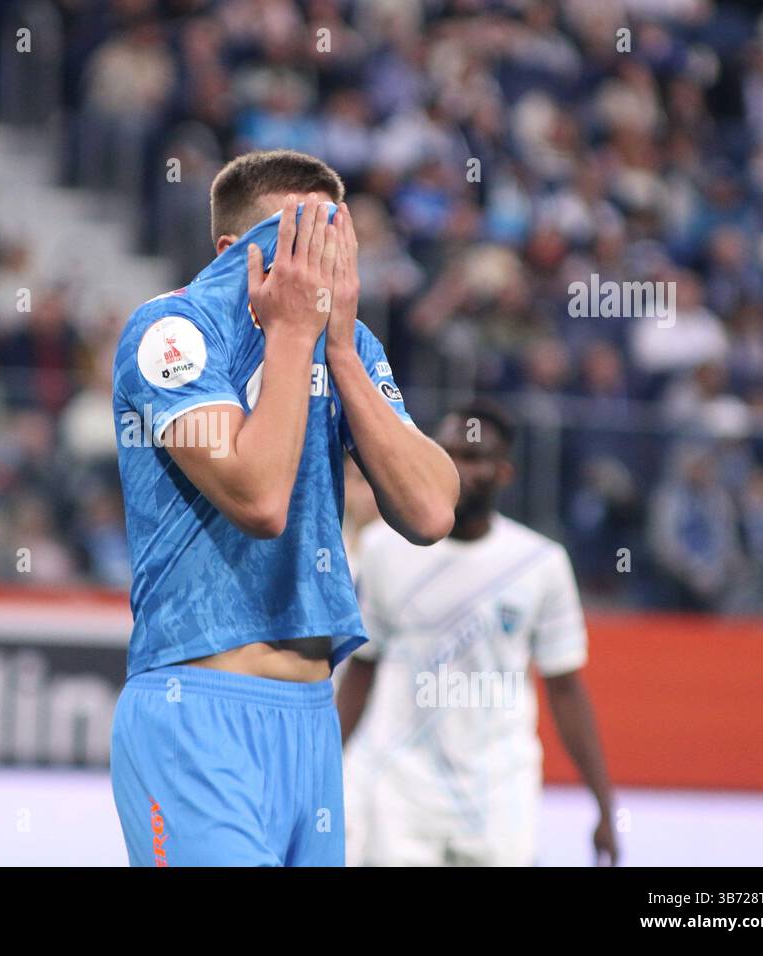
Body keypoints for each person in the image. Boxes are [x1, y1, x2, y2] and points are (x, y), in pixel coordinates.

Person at [108, 149, 459, 866]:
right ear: (232, 252)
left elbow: (430, 511)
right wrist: (296, 333)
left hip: (311, 722)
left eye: (330, 240)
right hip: (196, 710)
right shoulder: (171, 334)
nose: (314, 264)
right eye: (293, 240)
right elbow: (260, 498)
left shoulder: (347, 344)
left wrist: (341, 350)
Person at [338, 400, 618, 866]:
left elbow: (566, 690)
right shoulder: (383, 550)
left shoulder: (540, 563)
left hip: (499, 792)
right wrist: (322, 768)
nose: (455, 468)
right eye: (445, 452)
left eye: (471, 457)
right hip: (400, 792)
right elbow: (361, 674)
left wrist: (604, 806)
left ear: (503, 472)